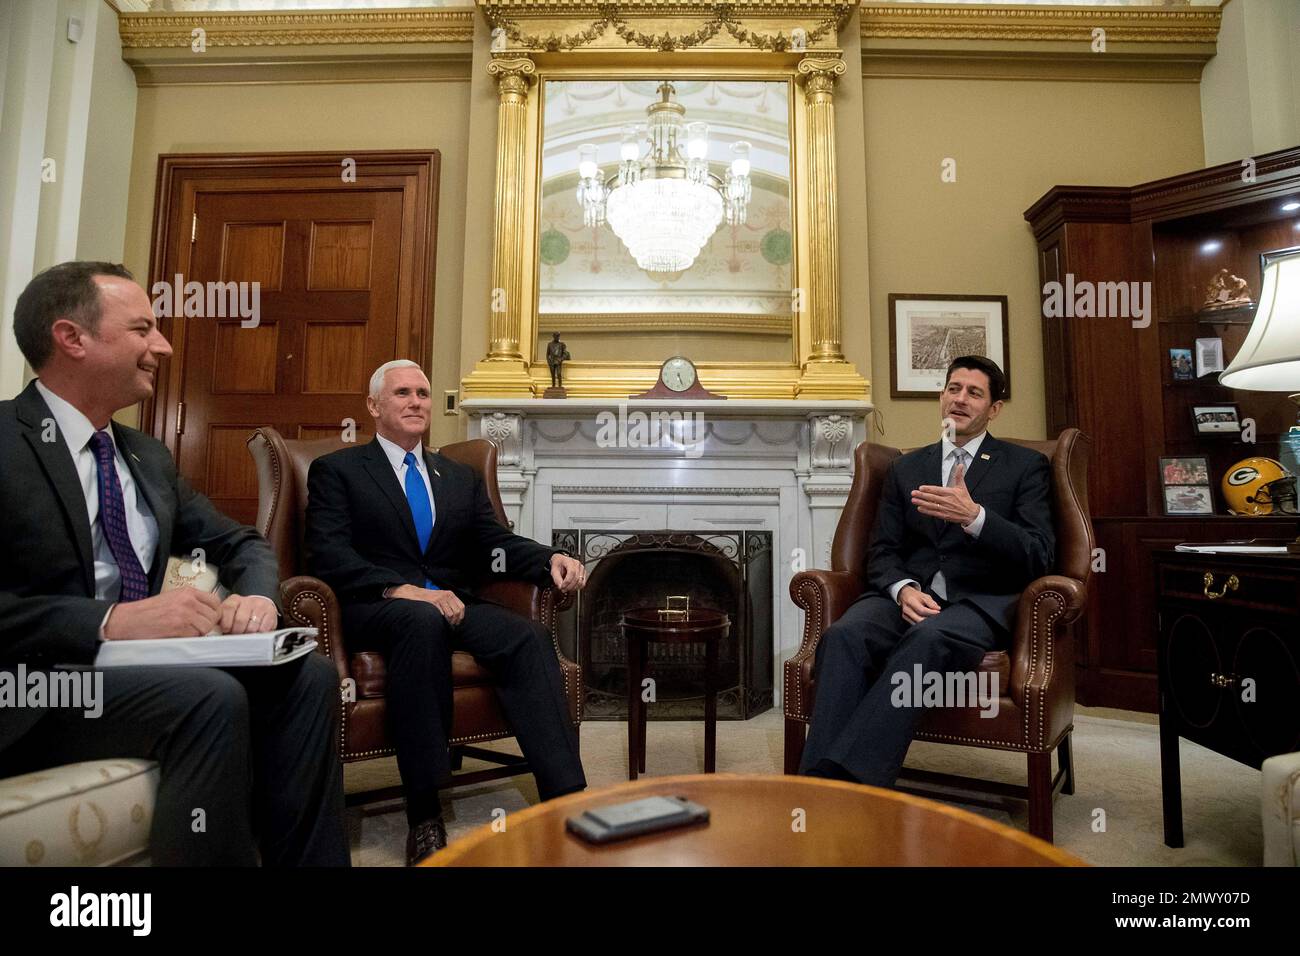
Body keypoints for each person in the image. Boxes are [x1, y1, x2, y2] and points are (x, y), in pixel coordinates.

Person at [0, 261, 348, 865]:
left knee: (309, 676)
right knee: (209, 698)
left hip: (142, 670)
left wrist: (259, 598)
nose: (161, 345)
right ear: (71, 338)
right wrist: (109, 623)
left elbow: (241, 543)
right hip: (34, 685)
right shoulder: (6, 441)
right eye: (142, 330)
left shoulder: (145, 456)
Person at [305, 360, 587, 864]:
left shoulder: (455, 476)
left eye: (424, 393)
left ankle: (566, 798)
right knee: (422, 620)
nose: (417, 402)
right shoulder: (339, 471)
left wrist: (550, 558)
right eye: (402, 394)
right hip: (378, 606)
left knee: (525, 636)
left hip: (452, 601)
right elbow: (327, 555)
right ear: (374, 406)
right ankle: (425, 812)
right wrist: (401, 589)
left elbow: (492, 541)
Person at [800, 355, 1055, 787]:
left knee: (928, 637)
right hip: (909, 595)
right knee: (843, 635)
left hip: (978, 602)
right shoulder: (907, 467)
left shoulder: (1025, 466)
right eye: (953, 389)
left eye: (974, 393)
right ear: (942, 397)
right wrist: (901, 589)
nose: (960, 399)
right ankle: (821, 785)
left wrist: (975, 517)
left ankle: (847, 781)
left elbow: (1040, 554)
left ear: (994, 409)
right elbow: (882, 549)